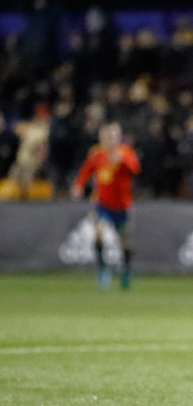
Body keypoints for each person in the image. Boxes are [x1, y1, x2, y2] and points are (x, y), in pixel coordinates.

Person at [71, 122, 141, 290]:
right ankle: (103, 270)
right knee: (98, 231)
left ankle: (125, 270)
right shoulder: (96, 154)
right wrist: (79, 185)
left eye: (113, 137)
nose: (110, 140)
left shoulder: (126, 153)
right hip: (103, 204)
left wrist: (122, 161)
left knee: (124, 241)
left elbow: (135, 170)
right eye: (107, 137)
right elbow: (86, 171)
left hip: (122, 205)